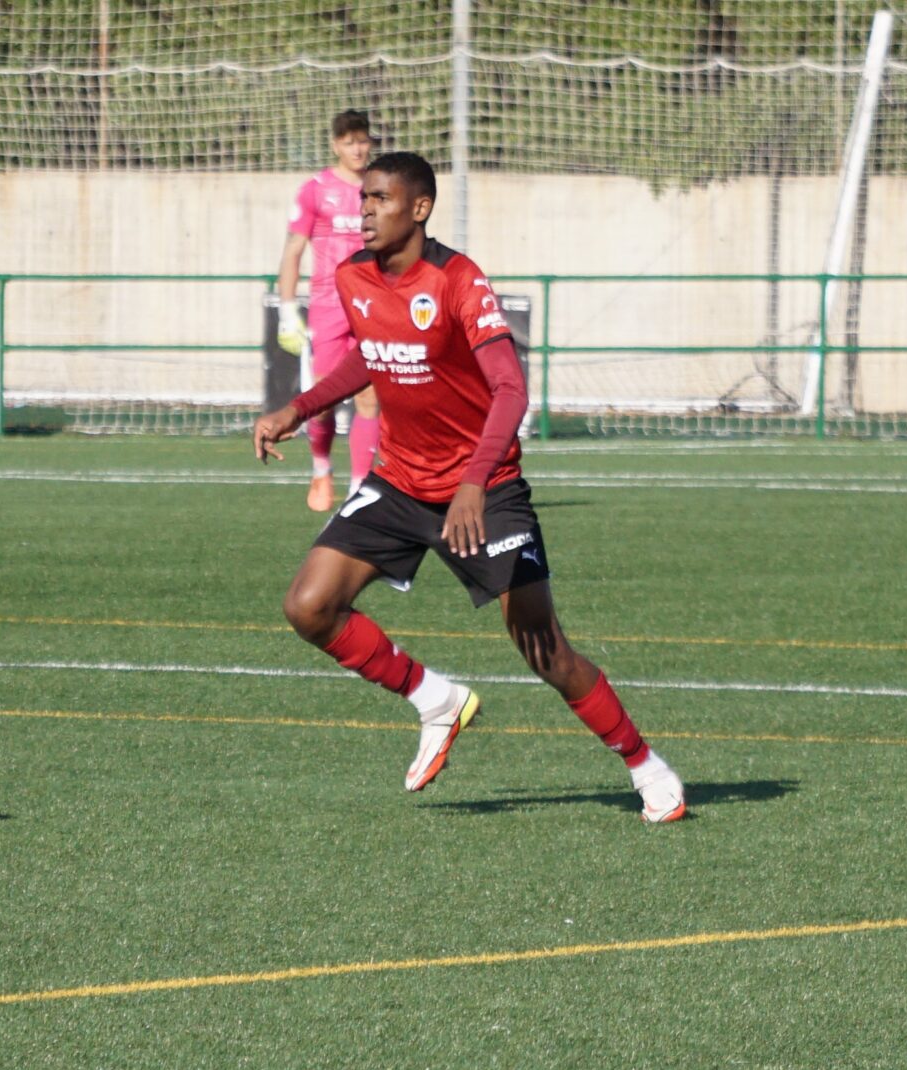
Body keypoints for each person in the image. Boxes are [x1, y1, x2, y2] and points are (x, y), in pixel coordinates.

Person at [252, 152, 686, 823]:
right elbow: (370, 355)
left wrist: (475, 483)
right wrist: (299, 408)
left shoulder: (458, 280)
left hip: (484, 488)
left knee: (544, 648)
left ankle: (644, 764)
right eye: (362, 199)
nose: (363, 211)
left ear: (419, 208)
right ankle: (434, 698)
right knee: (308, 606)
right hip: (399, 480)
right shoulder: (352, 275)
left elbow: (511, 389)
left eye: (379, 200)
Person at [276, 110, 379, 512]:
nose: (357, 148)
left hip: (372, 306)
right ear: (336, 145)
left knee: (370, 398)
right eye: (349, 142)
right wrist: (287, 309)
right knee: (324, 397)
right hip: (328, 306)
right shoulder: (316, 190)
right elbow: (293, 250)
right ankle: (321, 469)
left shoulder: (380, 186)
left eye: (362, 140)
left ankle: (359, 492)